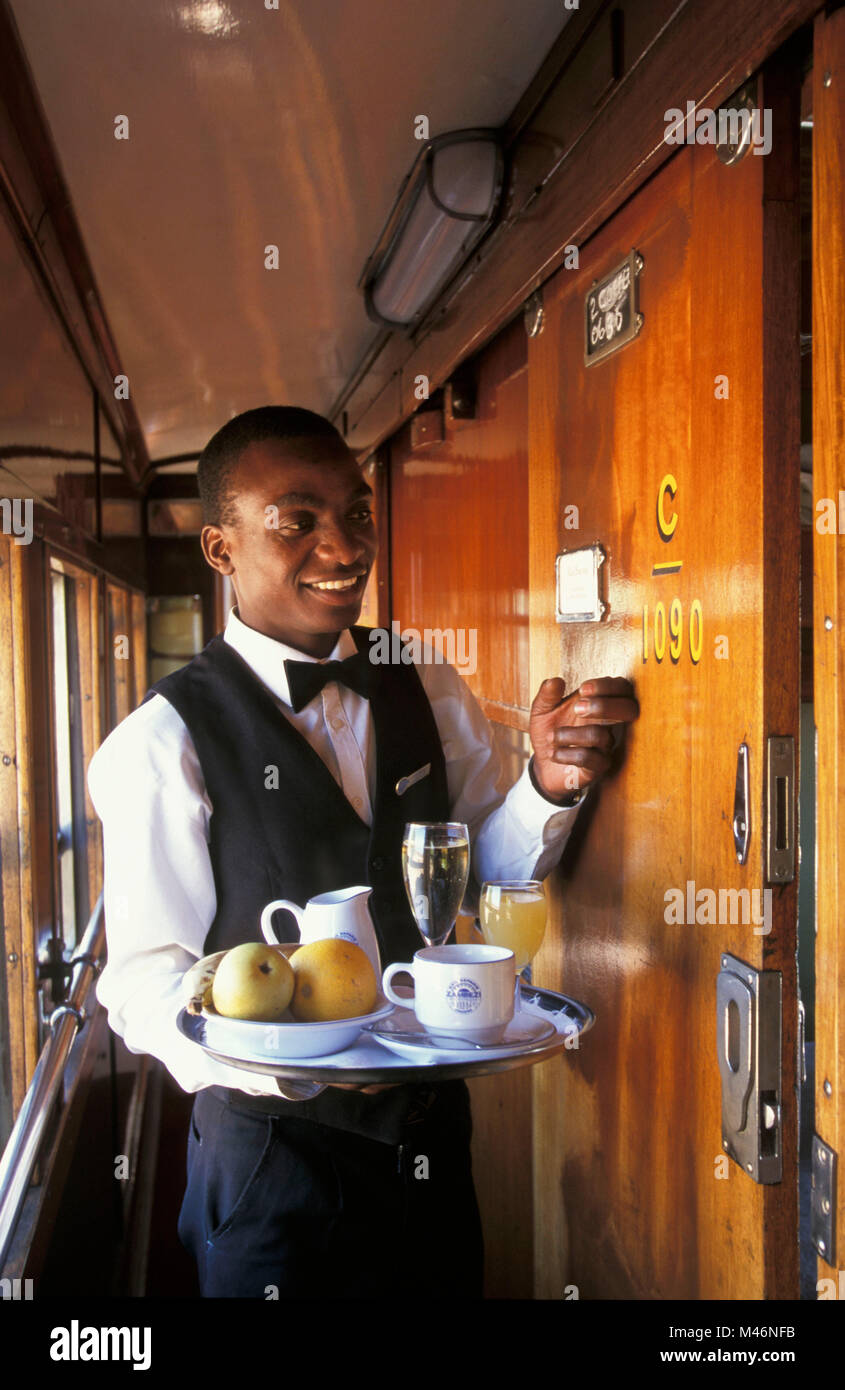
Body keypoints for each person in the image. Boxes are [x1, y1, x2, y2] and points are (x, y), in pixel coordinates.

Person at [88, 405, 638, 1299]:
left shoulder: (421, 678)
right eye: (296, 522)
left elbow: (485, 869)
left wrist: (544, 783)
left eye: (357, 514)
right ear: (221, 550)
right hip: (271, 1163)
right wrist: (285, 1062)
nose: (344, 548)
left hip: (429, 1131)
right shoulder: (160, 745)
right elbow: (144, 981)